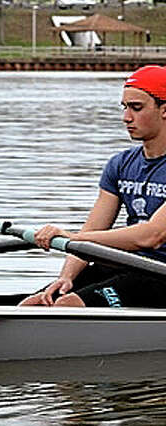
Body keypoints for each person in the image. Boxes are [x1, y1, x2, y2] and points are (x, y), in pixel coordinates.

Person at [21, 65, 166, 308]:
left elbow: (152, 236)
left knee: (67, 306)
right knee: (35, 304)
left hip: (161, 273)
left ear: (165, 110)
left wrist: (71, 237)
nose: (126, 117)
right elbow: (93, 229)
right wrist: (66, 276)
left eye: (136, 108)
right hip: (131, 267)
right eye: (124, 107)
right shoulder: (121, 164)